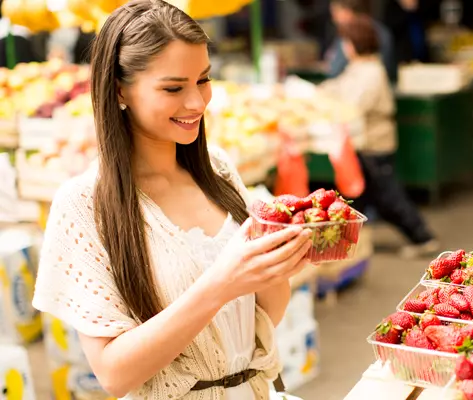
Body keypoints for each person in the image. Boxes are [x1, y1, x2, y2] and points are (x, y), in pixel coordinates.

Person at [31, 1, 312, 399]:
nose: (197, 102)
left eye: (204, 79)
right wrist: (220, 284)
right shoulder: (82, 205)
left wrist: (278, 261)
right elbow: (113, 375)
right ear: (119, 90)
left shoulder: (219, 170)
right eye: (173, 88)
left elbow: (262, 318)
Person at [318, 16, 439, 259]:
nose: (343, 46)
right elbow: (336, 88)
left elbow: (354, 105)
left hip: (375, 144)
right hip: (363, 144)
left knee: (388, 197)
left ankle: (423, 237)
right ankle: (347, 246)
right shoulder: (357, 69)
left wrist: (327, 107)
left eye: (345, 41)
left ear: (354, 44)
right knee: (357, 196)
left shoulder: (371, 72)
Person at [327, 0, 398, 84]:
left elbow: (335, 70)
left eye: (335, 13)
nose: (334, 19)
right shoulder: (381, 31)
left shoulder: (352, 33)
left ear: (347, 11)